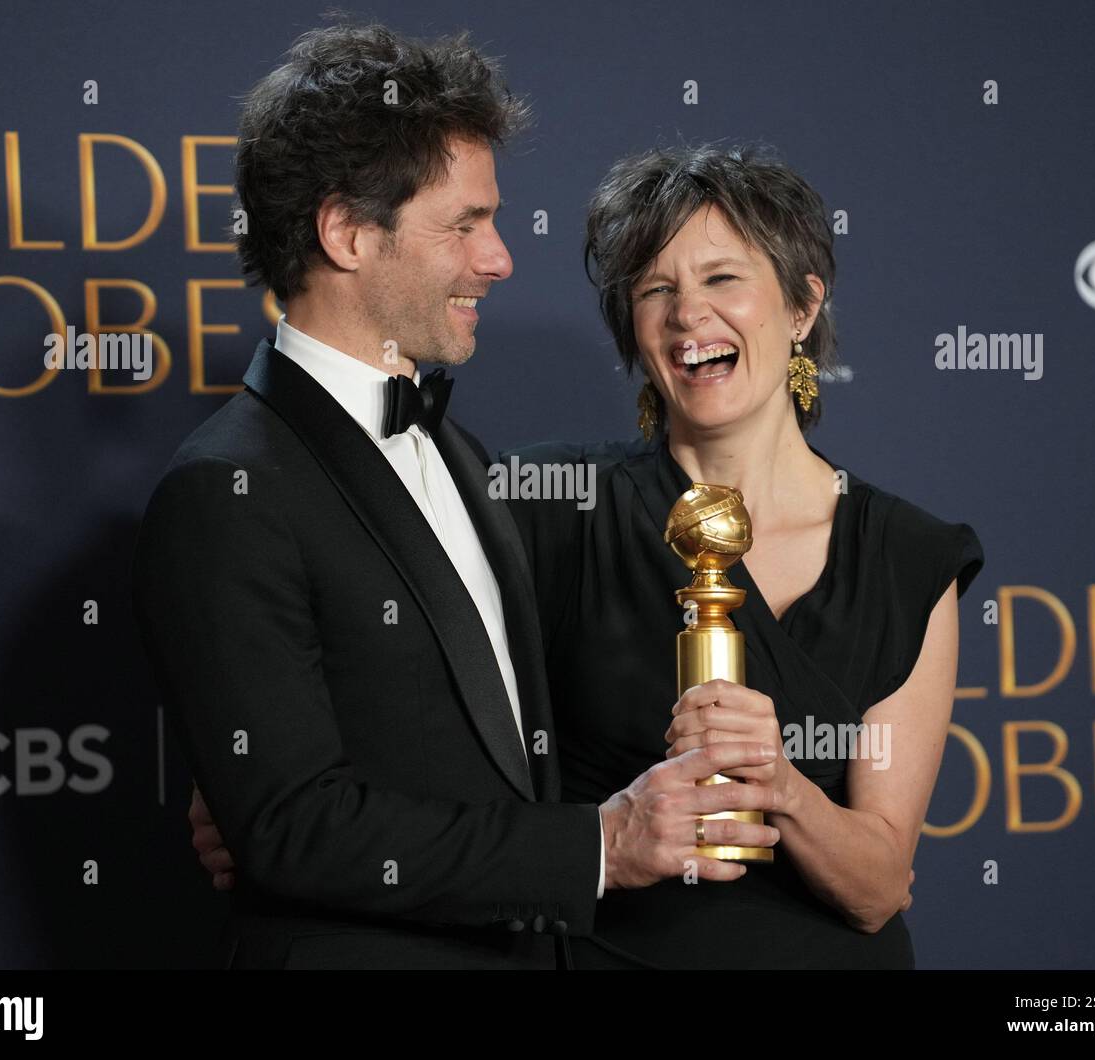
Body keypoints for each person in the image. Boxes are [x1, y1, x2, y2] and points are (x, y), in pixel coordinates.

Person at [191, 141, 983, 969]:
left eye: (722, 279)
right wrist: (240, 780)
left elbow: (879, 885)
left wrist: (780, 785)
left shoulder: (909, 558)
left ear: (801, 306)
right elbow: (367, 656)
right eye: (656, 290)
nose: (688, 316)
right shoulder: (541, 503)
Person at [132, 21, 777, 971]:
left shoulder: (458, 453)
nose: (500, 258)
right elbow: (293, 827)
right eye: (464, 225)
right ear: (348, 233)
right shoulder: (226, 490)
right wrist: (599, 845)